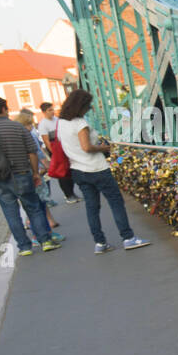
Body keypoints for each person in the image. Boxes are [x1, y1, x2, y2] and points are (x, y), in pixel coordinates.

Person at [56, 88, 149, 253]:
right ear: (81, 106)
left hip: (78, 170)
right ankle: (128, 238)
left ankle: (100, 243)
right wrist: (104, 148)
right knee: (116, 202)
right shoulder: (80, 124)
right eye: (88, 105)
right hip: (97, 169)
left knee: (92, 207)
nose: (90, 108)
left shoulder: (61, 123)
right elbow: (86, 147)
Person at [0, 96, 62, 256]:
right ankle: (45, 241)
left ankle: (24, 247)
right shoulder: (17, 127)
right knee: (33, 208)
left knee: (10, 212)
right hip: (21, 174)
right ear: (4, 109)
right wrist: (35, 173)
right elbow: (32, 152)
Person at [14, 108, 61, 232]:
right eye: (29, 124)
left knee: (32, 201)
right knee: (40, 201)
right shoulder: (28, 135)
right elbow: (37, 152)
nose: (31, 126)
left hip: (22, 172)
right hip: (35, 170)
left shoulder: (16, 136)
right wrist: (46, 165)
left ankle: (39, 226)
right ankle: (44, 229)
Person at [39, 101, 78, 202]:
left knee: (69, 170)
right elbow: (46, 140)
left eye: (52, 109)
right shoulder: (43, 124)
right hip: (56, 150)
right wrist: (55, 153)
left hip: (64, 147)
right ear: (44, 112)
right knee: (62, 172)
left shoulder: (57, 120)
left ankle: (72, 192)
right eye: (49, 110)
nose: (52, 112)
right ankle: (68, 195)